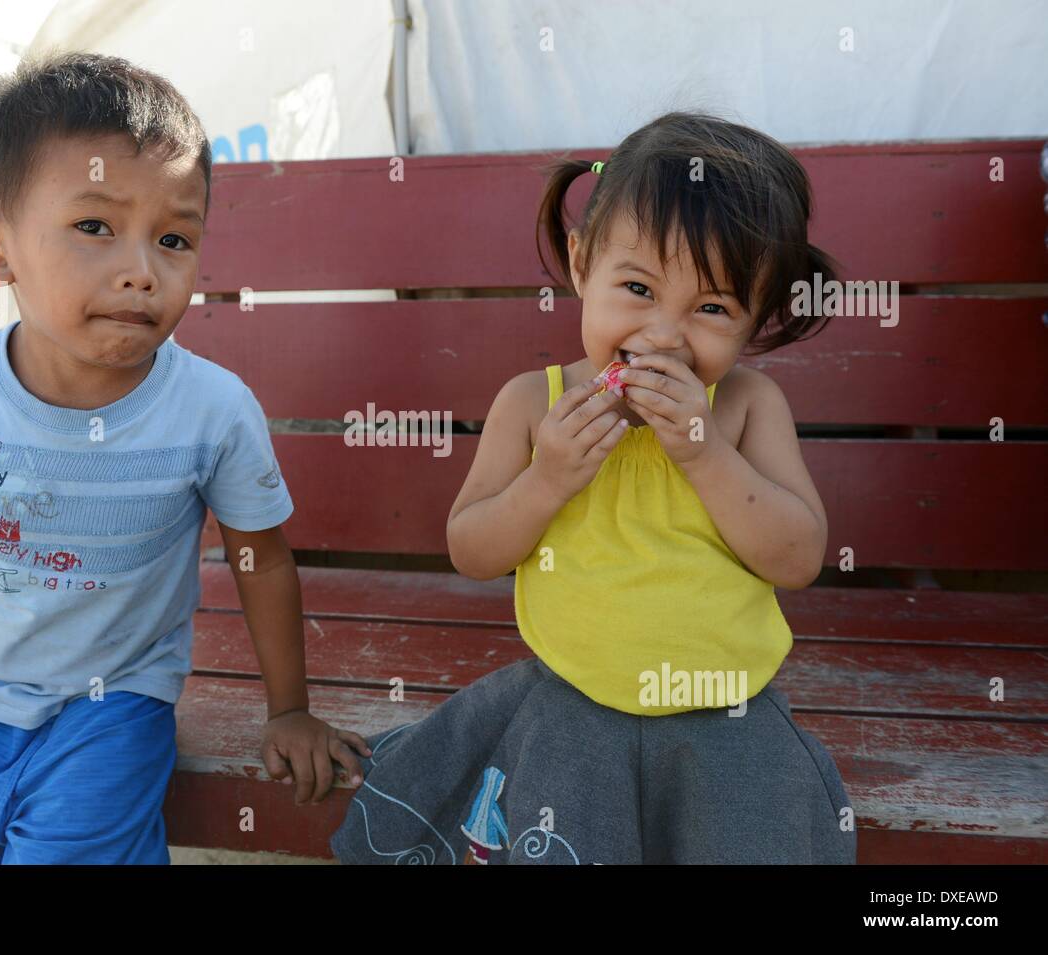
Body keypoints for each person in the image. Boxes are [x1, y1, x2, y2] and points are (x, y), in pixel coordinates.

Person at [0, 51, 370, 864]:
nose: (141, 272)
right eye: (94, 227)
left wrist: (287, 709)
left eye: (174, 238)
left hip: (116, 709)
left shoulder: (211, 410)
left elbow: (260, 555)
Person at [330, 112, 857, 865]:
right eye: (638, 287)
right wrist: (546, 480)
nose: (665, 335)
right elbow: (472, 548)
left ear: (756, 320)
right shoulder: (531, 404)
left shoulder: (745, 408)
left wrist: (705, 456)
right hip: (569, 710)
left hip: (726, 716)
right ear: (582, 264)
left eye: (712, 308)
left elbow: (799, 555)